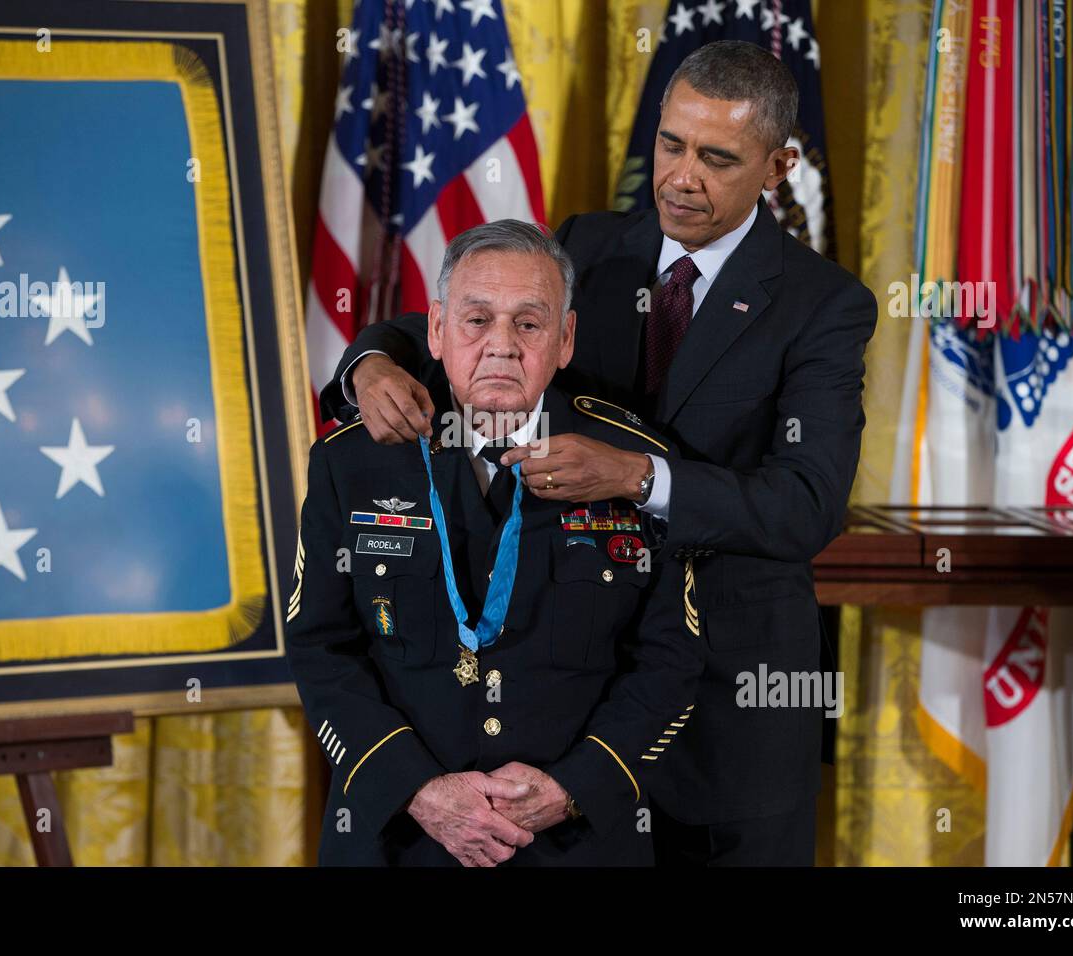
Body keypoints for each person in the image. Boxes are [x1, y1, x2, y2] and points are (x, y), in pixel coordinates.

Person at [319, 41, 878, 865]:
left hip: (727, 723)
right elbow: (473, 313)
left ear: (777, 165)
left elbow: (805, 506)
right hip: (574, 719)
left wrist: (636, 477)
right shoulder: (590, 241)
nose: (682, 177)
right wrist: (368, 362)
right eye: (671, 144)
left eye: (717, 158)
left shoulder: (825, 304)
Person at [287, 220, 701, 866]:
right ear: (436, 332)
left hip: (575, 840)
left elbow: (671, 660)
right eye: (477, 320)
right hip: (401, 838)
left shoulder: (634, 463)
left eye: (529, 324)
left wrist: (575, 786)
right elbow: (321, 647)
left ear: (564, 339)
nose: (502, 346)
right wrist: (418, 790)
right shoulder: (352, 462)